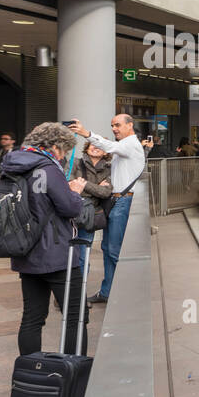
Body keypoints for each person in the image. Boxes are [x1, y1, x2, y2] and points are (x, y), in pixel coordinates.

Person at [1, 123, 88, 357]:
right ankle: (73, 375)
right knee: (75, 317)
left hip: (25, 252)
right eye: (64, 151)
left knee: (32, 318)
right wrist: (76, 193)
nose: (64, 157)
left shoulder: (13, 165)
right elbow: (69, 207)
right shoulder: (48, 168)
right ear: (56, 147)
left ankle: (28, 372)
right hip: (58, 254)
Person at [66, 114, 145, 305]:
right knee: (108, 248)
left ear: (130, 125)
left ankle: (124, 295)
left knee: (113, 250)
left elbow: (109, 147)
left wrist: (86, 133)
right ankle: (108, 291)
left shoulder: (131, 144)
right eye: (112, 126)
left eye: (117, 125)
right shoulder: (123, 147)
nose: (114, 129)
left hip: (122, 201)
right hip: (115, 202)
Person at [72, 142, 113, 245]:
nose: (95, 147)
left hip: (89, 216)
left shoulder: (108, 169)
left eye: (100, 146)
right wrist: (97, 187)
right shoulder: (75, 162)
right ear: (87, 148)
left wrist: (83, 183)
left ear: (105, 152)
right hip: (71, 211)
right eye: (92, 144)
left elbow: (105, 192)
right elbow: (68, 184)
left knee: (83, 253)